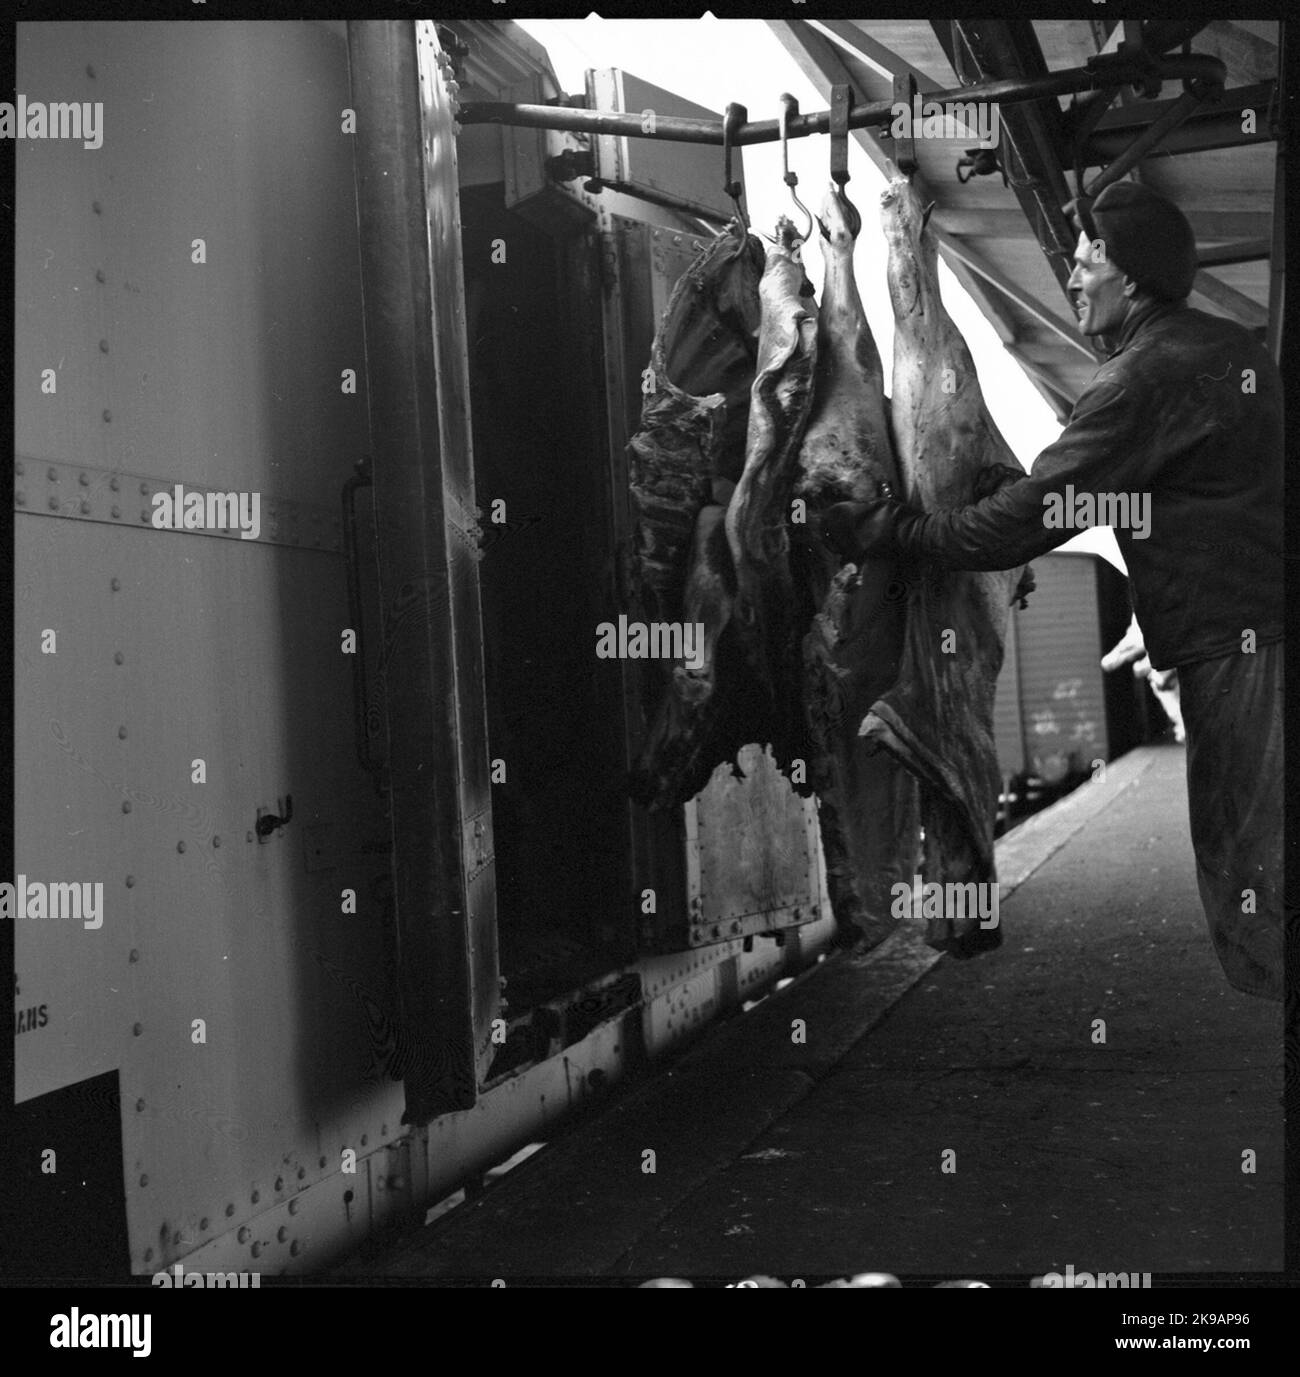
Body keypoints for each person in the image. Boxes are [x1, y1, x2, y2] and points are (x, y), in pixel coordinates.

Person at [820, 181, 1283, 1001]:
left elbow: (1027, 523)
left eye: (1085, 262)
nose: (1071, 279)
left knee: (1253, 887)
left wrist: (895, 530)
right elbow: (1108, 496)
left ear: (1130, 278)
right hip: (1254, 635)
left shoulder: (1140, 378)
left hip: (1242, 649)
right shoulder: (1228, 350)